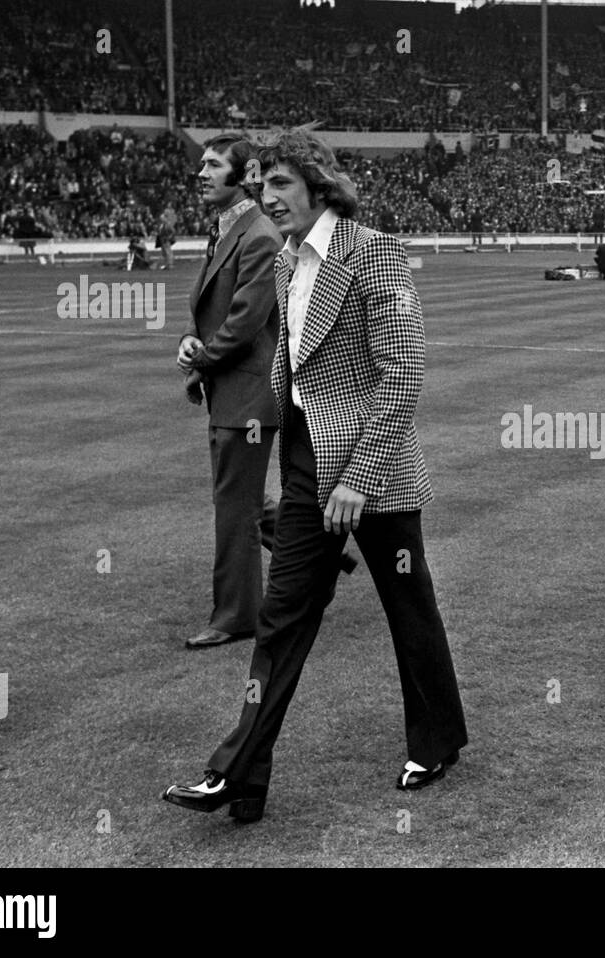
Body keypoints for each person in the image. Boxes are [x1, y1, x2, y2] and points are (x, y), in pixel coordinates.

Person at [164, 131, 467, 822]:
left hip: (372, 468)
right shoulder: (285, 263)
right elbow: (291, 365)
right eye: (261, 188)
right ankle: (238, 771)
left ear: (319, 186)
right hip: (305, 465)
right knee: (283, 618)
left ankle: (438, 740)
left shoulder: (374, 253)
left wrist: (359, 475)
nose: (268, 199)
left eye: (281, 186)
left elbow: (402, 376)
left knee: (408, 606)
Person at [176, 133, 281, 648]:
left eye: (213, 165)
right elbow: (210, 310)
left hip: (250, 395)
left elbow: (244, 323)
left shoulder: (259, 234)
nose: (201, 173)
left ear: (244, 175)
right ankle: (324, 552)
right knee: (246, 502)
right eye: (201, 164)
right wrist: (188, 341)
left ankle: (237, 617)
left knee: (234, 507)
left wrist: (201, 365)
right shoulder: (225, 231)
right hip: (233, 390)